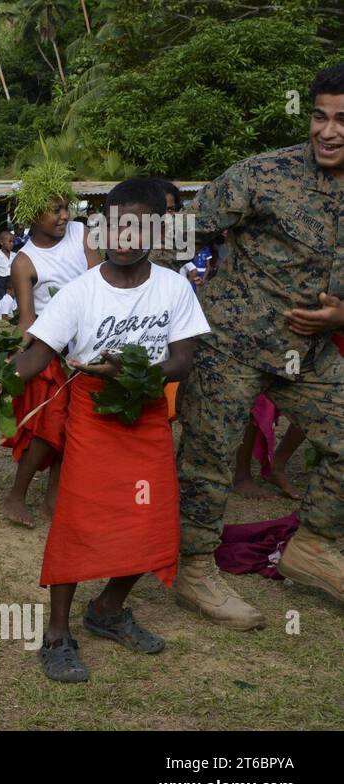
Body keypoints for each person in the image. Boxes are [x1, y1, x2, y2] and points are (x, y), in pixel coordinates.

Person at [0, 177, 209, 682]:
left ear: (157, 230)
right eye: (114, 222)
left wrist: (138, 372)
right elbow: (37, 354)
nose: (123, 235)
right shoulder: (79, 292)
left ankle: (109, 609)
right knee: (76, 522)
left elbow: (182, 360)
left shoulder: (174, 287)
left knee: (153, 520)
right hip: (93, 417)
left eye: (136, 225)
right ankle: (57, 633)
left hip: (146, 417)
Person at [175, 64, 344, 625]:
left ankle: (313, 545)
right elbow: (180, 232)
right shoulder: (264, 174)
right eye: (320, 116)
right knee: (207, 462)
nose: (328, 131)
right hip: (230, 346)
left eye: (342, 119)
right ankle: (194, 570)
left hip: (310, 354)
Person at [2, 162, 100, 527]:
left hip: (86, 350)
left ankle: (55, 498)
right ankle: (16, 495)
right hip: (50, 354)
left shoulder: (83, 234)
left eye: (65, 208)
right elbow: (27, 318)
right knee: (48, 428)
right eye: (54, 209)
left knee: (73, 428)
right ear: (31, 214)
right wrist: (17, 360)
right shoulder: (25, 260)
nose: (63, 216)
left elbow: (97, 286)